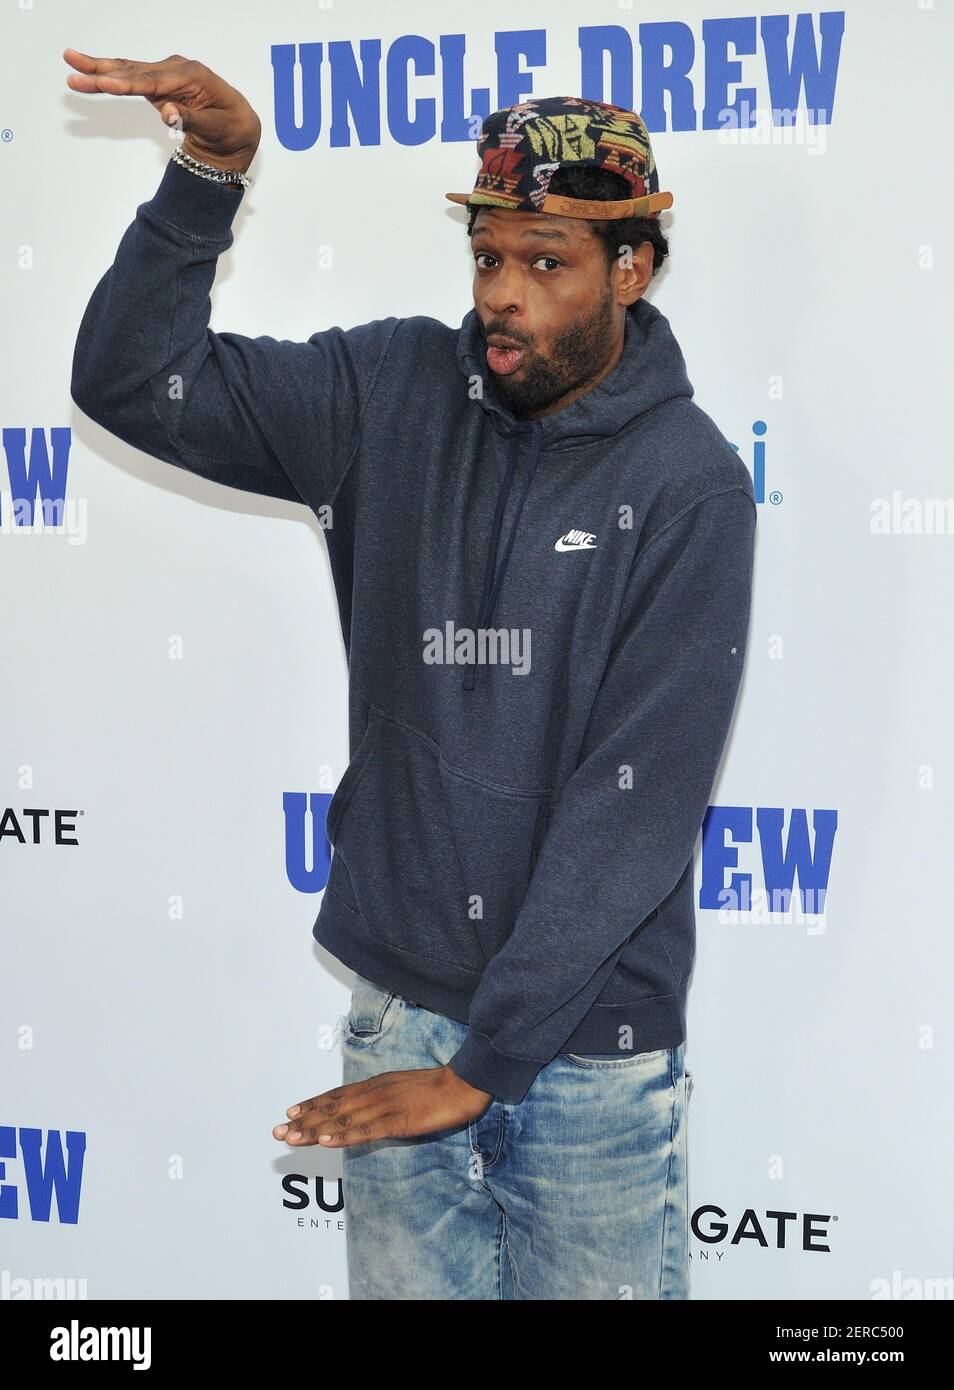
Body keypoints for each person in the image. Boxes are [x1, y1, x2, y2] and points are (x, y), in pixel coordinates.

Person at [66, 51, 756, 1300]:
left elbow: (634, 801)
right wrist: (206, 179)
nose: (505, 294)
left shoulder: (689, 481)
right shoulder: (388, 392)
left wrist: (484, 1066)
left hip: (588, 1064)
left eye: (547, 262)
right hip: (403, 1020)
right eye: (489, 258)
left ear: (632, 270)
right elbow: (130, 382)